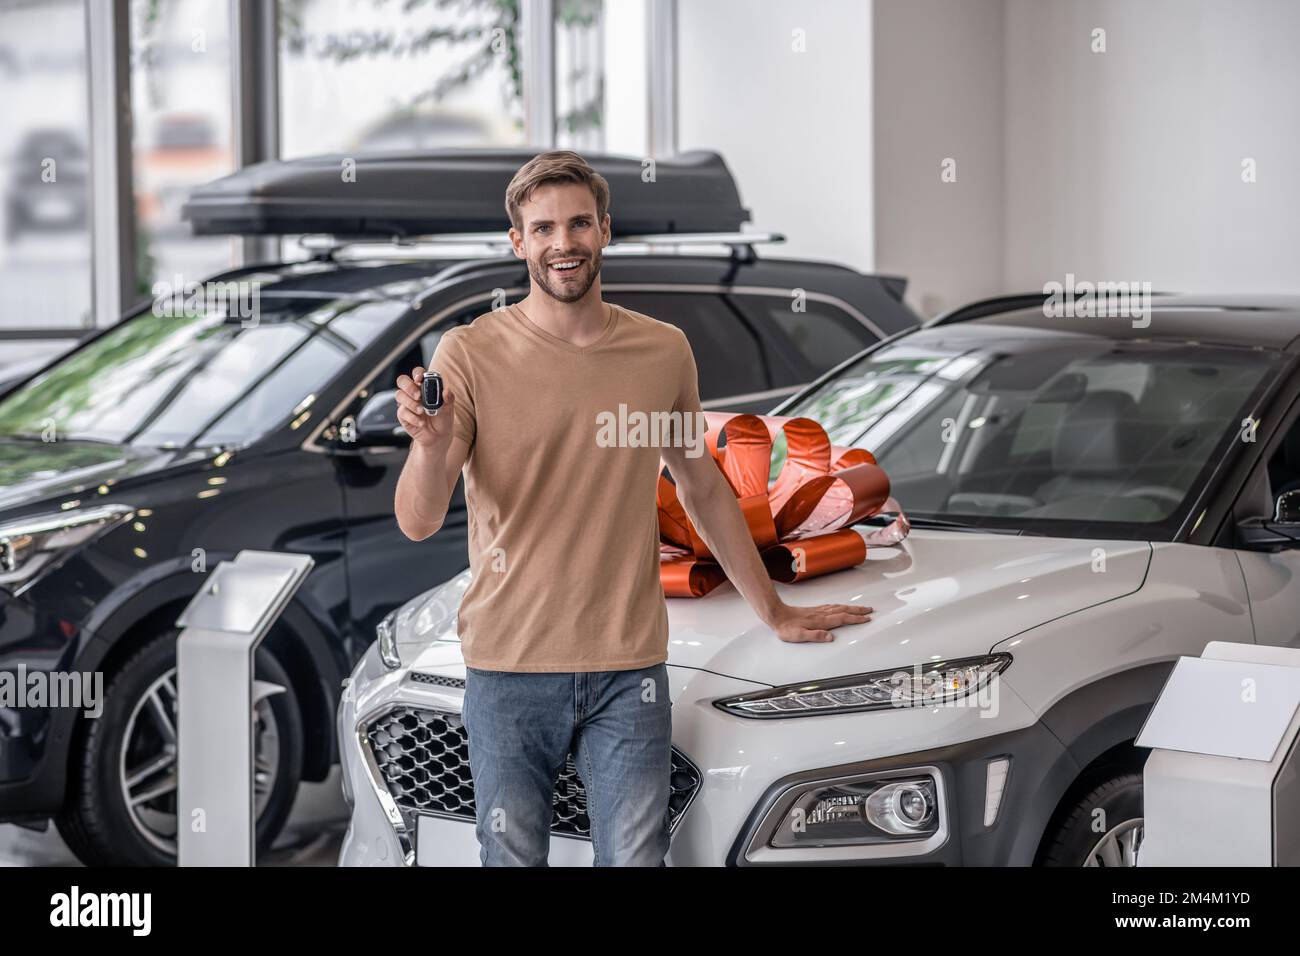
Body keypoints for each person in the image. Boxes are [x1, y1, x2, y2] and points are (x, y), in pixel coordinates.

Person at [392, 150, 872, 866]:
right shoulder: (470, 354)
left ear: (605, 229)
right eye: (544, 227)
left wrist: (772, 608)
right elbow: (419, 520)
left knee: (637, 860)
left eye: (579, 222)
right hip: (508, 668)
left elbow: (702, 486)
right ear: (517, 241)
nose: (564, 243)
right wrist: (430, 449)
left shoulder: (660, 352)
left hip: (628, 670)